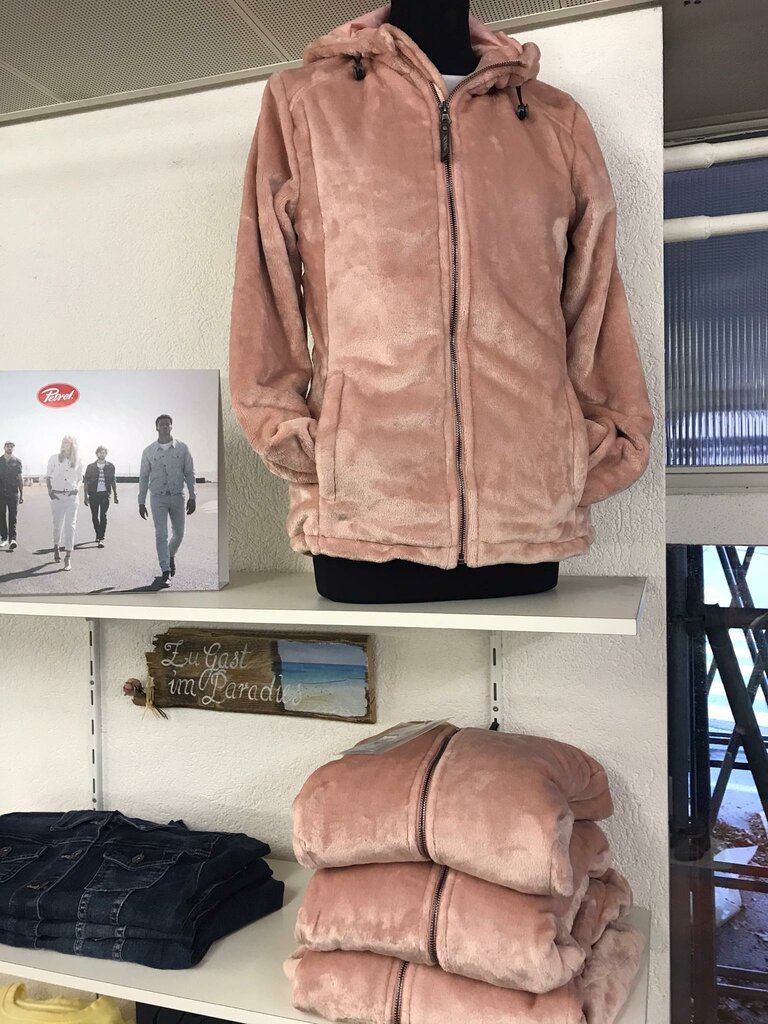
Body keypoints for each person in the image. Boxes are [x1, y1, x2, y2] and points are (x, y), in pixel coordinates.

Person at [138, 415, 196, 585]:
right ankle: (165, 570)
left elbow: (189, 473)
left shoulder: (182, 448)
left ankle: (170, 555)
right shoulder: (148, 451)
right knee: (161, 534)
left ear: (171, 427)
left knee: (179, 533)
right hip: (158, 498)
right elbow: (143, 477)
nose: (164, 426)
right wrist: (141, 502)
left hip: (178, 496)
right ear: (156, 428)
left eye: (167, 424)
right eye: (161, 424)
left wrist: (192, 496)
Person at [45, 435, 83, 571]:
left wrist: (77, 488)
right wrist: (50, 491)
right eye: (64, 442)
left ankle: (68, 557)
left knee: (70, 526)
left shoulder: (78, 460)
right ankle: (56, 546)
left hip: (72, 497)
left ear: (73, 445)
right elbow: (48, 476)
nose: (65, 445)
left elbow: (80, 478)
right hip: (57, 496)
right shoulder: (54, 458)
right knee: (57, 525)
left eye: (68, 443)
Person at [83, 446, 118, 548]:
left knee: (103, 516)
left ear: (106, 454)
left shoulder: (110, 466)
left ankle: (101, 538)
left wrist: (115, 495)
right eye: (100, 452)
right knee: (94, 516)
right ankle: (98, 534)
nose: (102, 454)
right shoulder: (90, 467)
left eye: (103, 452)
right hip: (93, 495)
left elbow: (113, 481)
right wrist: (85, 497)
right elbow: (86, 482)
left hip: (105, 494)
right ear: (97, 454)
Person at [0, 441, 23, 552]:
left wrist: (22, 494)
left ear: (13, 449)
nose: (9, 448)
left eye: (11, 447)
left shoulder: (17, 462)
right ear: (4, 448)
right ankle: (4, 538)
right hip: (1, 493)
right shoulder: (0, 460)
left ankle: (13, 539)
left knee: (13, 516)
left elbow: (20, 479)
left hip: (13, 493)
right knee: (1, 516)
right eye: (7, 446)